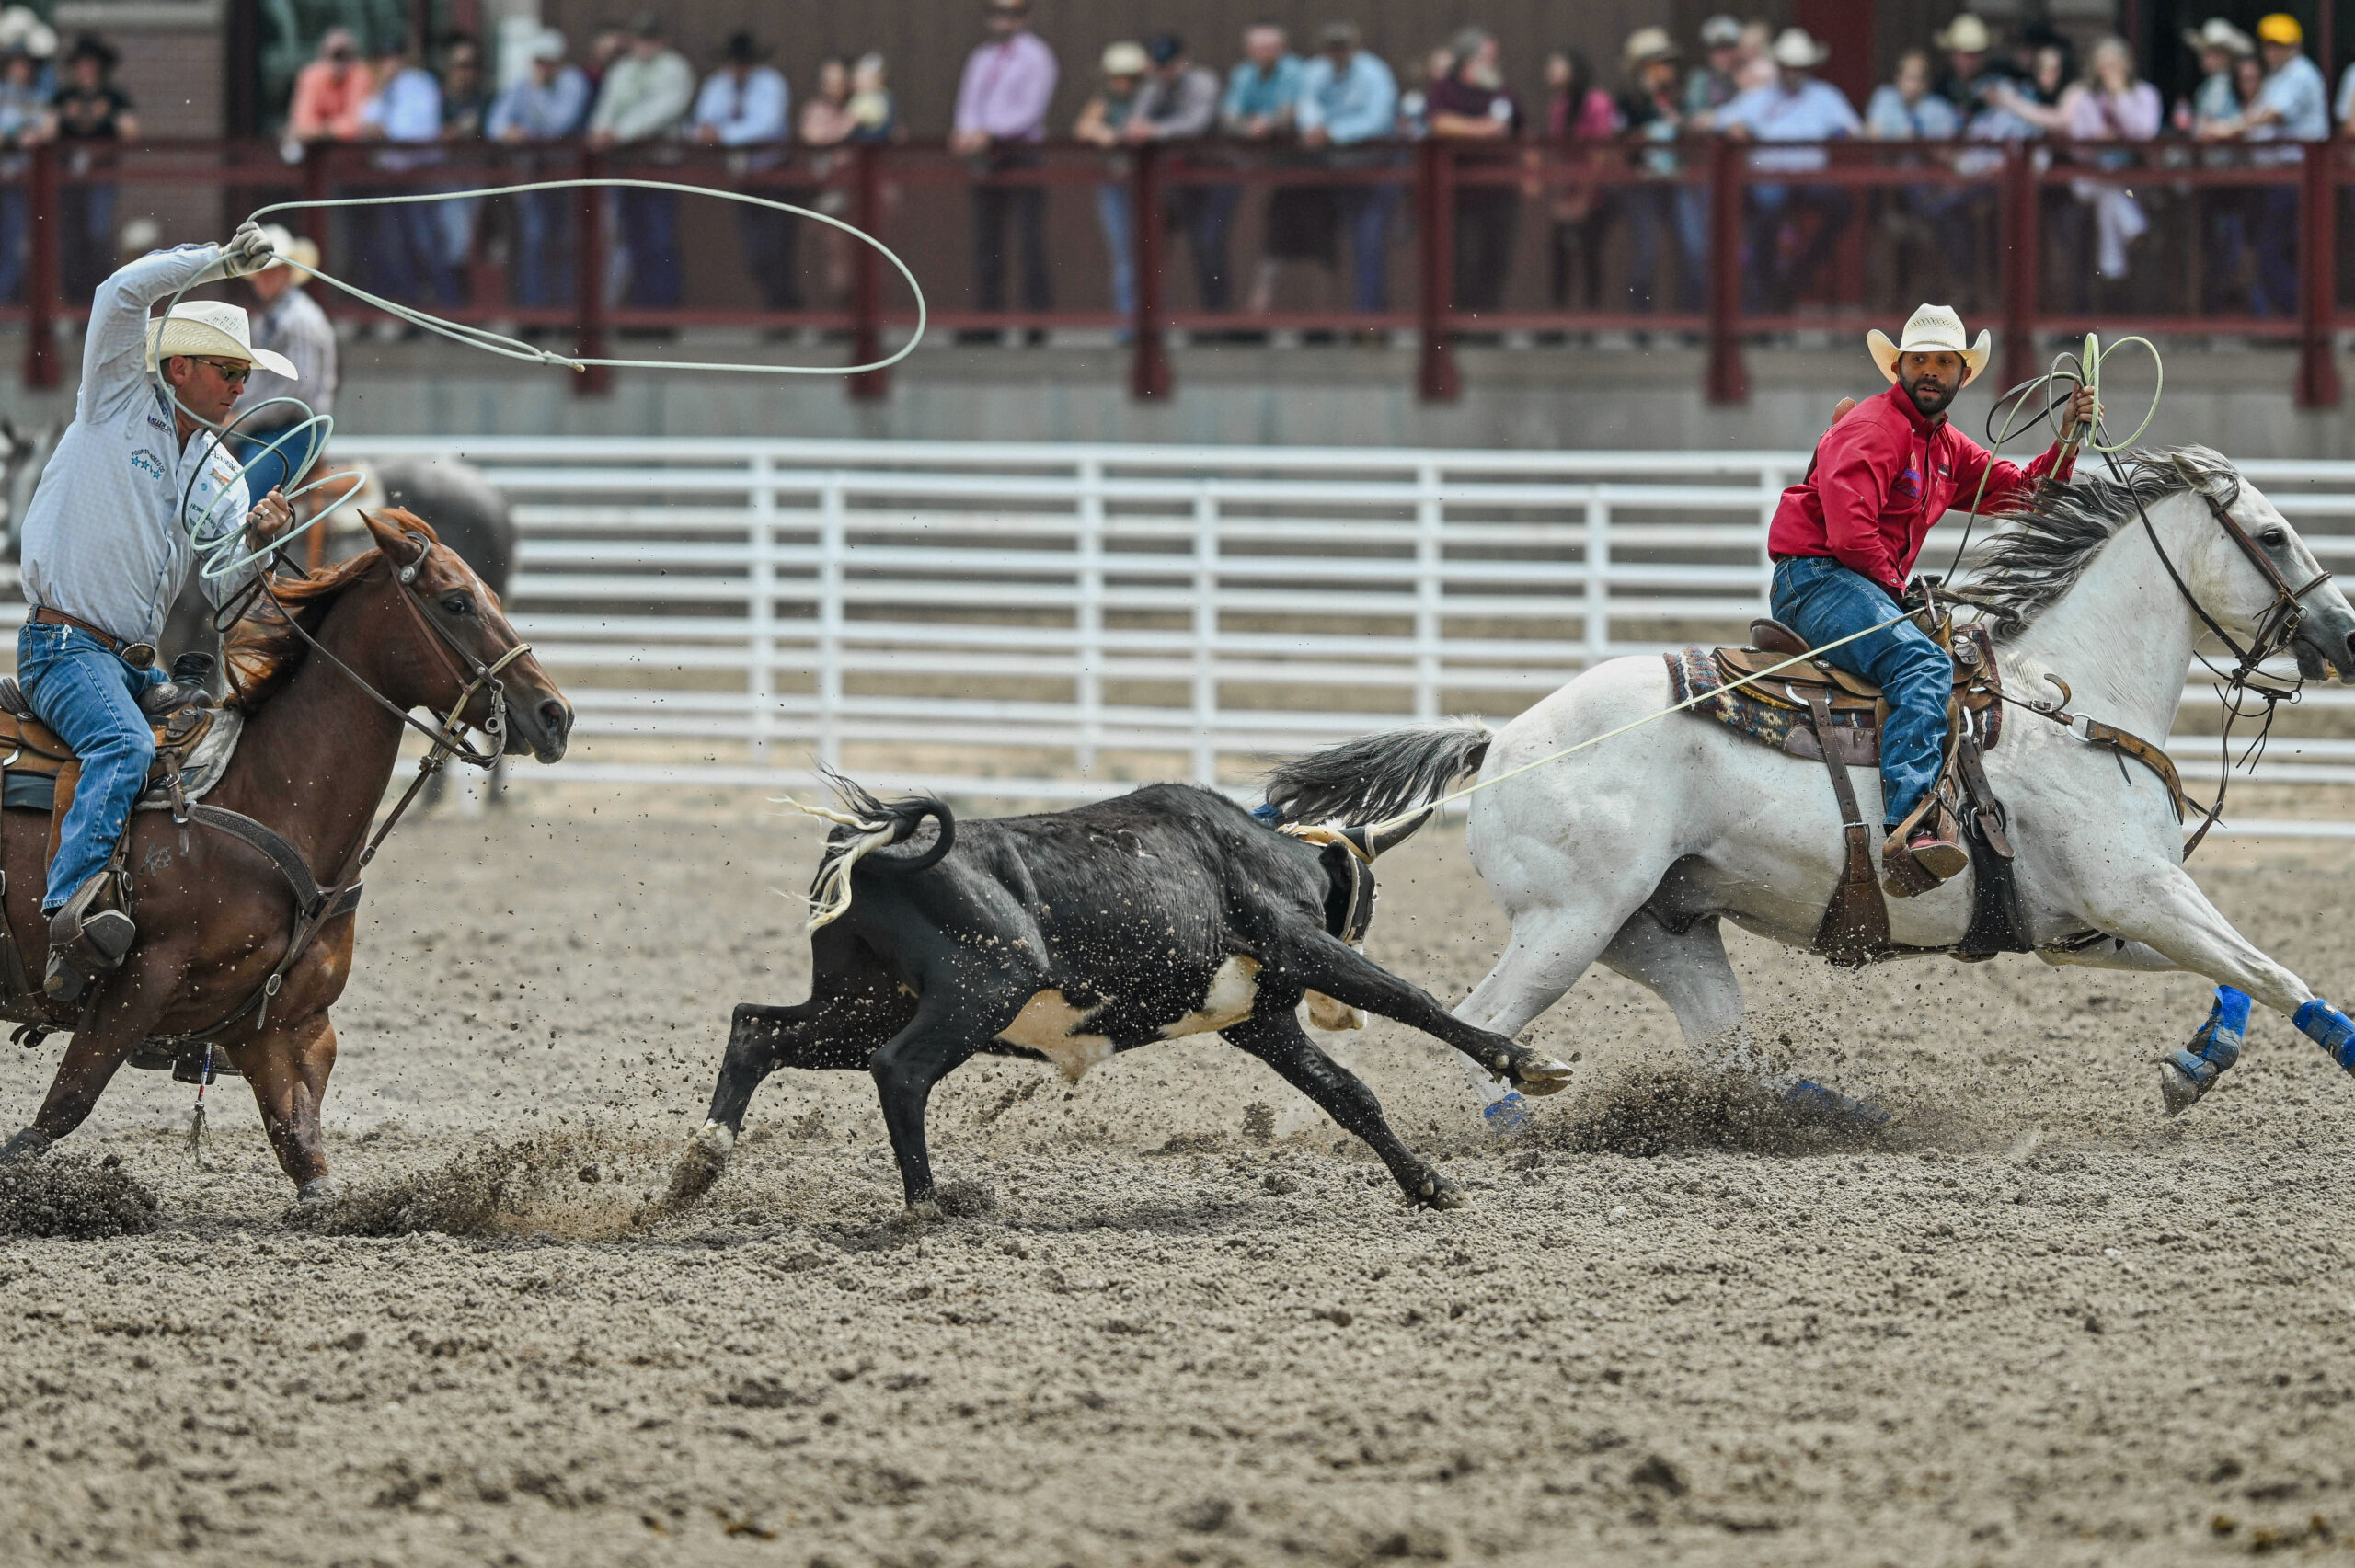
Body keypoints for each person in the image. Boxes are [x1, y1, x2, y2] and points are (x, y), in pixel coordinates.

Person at [16, 223, 294, 996]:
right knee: (125, 750)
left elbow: (231, 587)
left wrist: (262, 540)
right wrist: (219, 261)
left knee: (215, 764)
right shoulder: (114, 394)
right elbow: (120, 293)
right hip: (63, 647)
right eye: (228, 369)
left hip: (134, 663)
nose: (242, 385)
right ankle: (68, 917)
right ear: (179, 367)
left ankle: (185, 956)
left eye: (246, 372)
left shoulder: (214, 464)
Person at [1768, 304, 2092, 890]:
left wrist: (2066, 437)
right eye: (1919, 360)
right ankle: (1911, 826)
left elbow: (2023, 494)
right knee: (1922, 661)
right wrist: (1897, 591)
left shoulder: (1945, 448)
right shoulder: (1873, 428)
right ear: (1899, 368)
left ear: (1962, 375)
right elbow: (1849, 535)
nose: (1931, 372)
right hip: (1818, 578)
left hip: (1852, 580)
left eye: (1944, 362)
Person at [1717, 28, 1859, 315]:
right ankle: (1769, 294)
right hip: (1769, 179)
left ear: (1808, 67)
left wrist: (1842, 133)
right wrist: (1735, 129)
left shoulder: (1825, 96)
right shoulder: (1760, 97)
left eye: (1799, 66)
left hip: (1810, 180)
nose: (1793, 71)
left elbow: (1854, 129)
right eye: (1788, 65)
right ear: (1779, 66)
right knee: (1767, 211)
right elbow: (1724, 122)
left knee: (1844, 205)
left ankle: (1801, 270)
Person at [948, 0, 1057, 341]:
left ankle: (1035, 323)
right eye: (997, 12)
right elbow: (969, 101)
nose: (1004, 20)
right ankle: (987, 322)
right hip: (985, 155)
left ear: (1025, 17)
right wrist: (966, 131)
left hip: (1021, 151)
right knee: (987, 240)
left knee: (1029, 240)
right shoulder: (981, 57)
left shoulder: (1036, 56)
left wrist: (990, 132)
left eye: (1013, 13)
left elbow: (1031, 107)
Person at [586, 15, 695, 315]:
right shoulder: (623, 69)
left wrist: (617, 134)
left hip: (659, 166)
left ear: (662, 40)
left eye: (650, 38)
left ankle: (664, 312)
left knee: (660, 239)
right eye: (639, 38)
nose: (644, 45)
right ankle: (642, 313)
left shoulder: (675, 68)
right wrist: (600, 131)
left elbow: (661, 110)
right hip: (625, 165)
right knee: (634, 241)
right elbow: (607, 108)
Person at [1296, 21, 1399, 317]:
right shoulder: (1315, 70)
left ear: (1354, 47)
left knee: (1369, 242)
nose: (1337, 52)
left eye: (1342, 46)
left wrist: (1333, 133)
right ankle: (1325, 322)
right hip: (1330, 170)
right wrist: (1313, 127)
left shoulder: (1374, 72)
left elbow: (1377, 119)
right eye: (1332, 47)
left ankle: (1369, 319)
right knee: (1322, 245)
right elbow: (1306, 103)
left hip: (1374, 170)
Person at [228, 224, 334, 508]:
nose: (264, 278)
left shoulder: (300, 321)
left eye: (272, 270)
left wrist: (241, 419)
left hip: (295, 431)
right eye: (260, 271)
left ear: (287, 273)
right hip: (266, 429)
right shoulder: (267, 319)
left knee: (240, 498)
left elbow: (295, 394)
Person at [693, 32, 797, 316]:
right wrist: (714, 134)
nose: (736, 69)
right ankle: (778, 311)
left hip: (774, 173)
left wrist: (722, 134)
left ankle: (784, 313)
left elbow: (765, 125)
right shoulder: (718, 84)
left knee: (776, 248)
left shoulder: (771, 83)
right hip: (741, 176)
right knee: (755, 252)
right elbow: (702, 123)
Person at [487, 28, 589, 313]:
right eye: (539, 60)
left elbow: (557, 124)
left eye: (548, 60)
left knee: (567, 243)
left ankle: (568, 312)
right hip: (534, 175)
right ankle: (536, 312)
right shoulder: (523, 84)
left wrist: (533, 102)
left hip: (567, 176)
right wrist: (510, 130)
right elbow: (495, 123)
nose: (543, 66)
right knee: (534, 241)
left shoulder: (572, 82)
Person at [1426, 27, 1525, 319]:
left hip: (1500, 190)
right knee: (1459, 258)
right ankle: (1459, 321)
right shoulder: (1445, 88)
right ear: (1468, 58)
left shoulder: (1500, 88)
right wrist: (1483, 130)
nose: (1492, 61)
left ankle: (1487, 321)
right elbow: (1439, 123)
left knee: (1495, 258)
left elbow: (1517, 126)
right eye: (1486, 56)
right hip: (1459, 191)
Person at [1127, 35, 1226, 314]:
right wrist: (1139, 126)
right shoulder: (1154, 87)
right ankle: (1157, 319)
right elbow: (1136, 121)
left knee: (1208, 244)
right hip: (1176, 180)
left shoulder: (1203, 81)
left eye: (1170, 65)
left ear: (1184, 61)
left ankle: (1218, 319)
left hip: (1216, 177)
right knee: (1156, 246)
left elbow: (1197, 123)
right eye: (1160, 66)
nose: (1165, 71)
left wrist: (1154, 130)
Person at [2238, 13, 2327, 318]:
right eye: (2268, 44)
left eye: (2279, 44)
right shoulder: (2277, 77)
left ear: (2295, 46)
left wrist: (2229, 127)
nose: (2272, 50)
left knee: (2278, 250)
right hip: (2279, 177)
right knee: (2278, 249)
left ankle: (2299, 319)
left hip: (2300, 177)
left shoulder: (2301, 73)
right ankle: (2293, 319)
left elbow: (2270, 116)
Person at [355, 34, 452, 309]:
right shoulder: (380, 88)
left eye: (394, 56)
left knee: (426, 243)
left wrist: (383, 130)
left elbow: (415, 133)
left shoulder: (420, 84)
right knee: (393, 247)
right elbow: (364, 127)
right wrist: (380, 89)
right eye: (384, 58)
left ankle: (450, 308)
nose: (389, 63)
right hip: (389, 178)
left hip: (420, 175)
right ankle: (410, 310)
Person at [1223, 24, 1313, 318]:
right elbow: (1229, 116)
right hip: (1257, 172)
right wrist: (1252, 125)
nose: (1266, 55)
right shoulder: (1243, 74)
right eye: (1260, 49)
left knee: (1304, 245)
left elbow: (1290, 115)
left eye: (1272, 48)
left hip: (1302, 173)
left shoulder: (1295, 71)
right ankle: (1254, 314)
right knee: (1264, 239)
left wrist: (1266, 124)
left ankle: (1313, 317)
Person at [1866, 50, 1967, 308]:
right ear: (1898, 79)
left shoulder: (1938, 109)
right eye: (1908, 77)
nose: (1913, 84)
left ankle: (1954, 301)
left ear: (1926, 82)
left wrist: (1922, 143)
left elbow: (1949, 154)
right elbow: (1874, 137)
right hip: (1892, 196)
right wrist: (1903, 138)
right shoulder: (1885, 101)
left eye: (1919, 78)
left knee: (1952, 217)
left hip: (1931, 194)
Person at [1617, 28, 1701, 320]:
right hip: (1642, 182)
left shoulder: (1677, 97)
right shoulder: (1629, 100)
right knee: (1646, 252)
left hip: (1675, 179)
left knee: (1694, 248)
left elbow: (1692, 133)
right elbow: (1619, 139)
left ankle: (1691, 320)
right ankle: (1641, 322)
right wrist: (1646, 135)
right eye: (1661, 62)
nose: (1669, 69)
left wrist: (1681, 124)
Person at [50, 34, 133, 306]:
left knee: (99, 236)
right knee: (70, 239)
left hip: (101, 175)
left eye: (90, 64)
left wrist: (105, 116)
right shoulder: (64, 96)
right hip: (69, 177)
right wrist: (67, 116)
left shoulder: (114, 95)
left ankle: (100, 299)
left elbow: (131, 133)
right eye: (81, 65)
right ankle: (75, 302)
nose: (85, 70)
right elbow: (45, 131)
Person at [1075, 41, 1147, 322]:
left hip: (1148, 187)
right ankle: (1127, 323)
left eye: (1130, 78)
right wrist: (1101, 131)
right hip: (1116, 185)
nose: (1123, 84)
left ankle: (1147, 322)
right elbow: (1083, 127)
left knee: (1149, 255)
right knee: (1124, 255)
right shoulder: (1103, 102)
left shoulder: (1148, 99)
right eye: (1117, 77)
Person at [0, 41, 52, 304]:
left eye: (26, 63)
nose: (21, 68)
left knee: (15, 245)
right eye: (16, 62)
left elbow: (44, 131)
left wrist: (28, 136)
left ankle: (6, 304)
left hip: (20, 183)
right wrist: (14, 136)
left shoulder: (38, 98)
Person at [287, 27, 370, 144]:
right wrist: (331, 130)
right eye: (336, 55)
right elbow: (302, 123)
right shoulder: (311, 77)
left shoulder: (360, 75)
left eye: (346, 54)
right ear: (323, 55)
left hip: (352, 148)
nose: (341, 61)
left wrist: (321, 132)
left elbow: (356, 123)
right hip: (315, 151)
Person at [1684, 15, 1742, 120]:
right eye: (1719, 51)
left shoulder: (1746, 75)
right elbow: (1696, 117)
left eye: (1729, 49)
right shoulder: (1700, 79)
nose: (1725, 56)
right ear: (1709, 54)